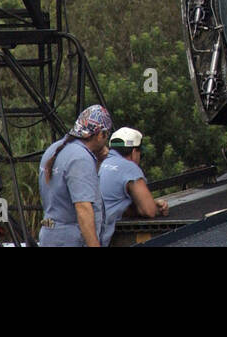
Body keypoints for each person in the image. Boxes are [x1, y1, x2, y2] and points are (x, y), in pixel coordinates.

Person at [38, 104, 112, 247]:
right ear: (100, 134)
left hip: (49, 235)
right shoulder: (81, 158)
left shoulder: (54, 149)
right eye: (106, 135)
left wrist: (97, 161)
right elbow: (83, 208)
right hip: (71, 239)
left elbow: (70, 188)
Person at [98, 127, 169, 246]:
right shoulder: (129, 168)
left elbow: (115, 203)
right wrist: (156, 207)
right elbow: (149, 211)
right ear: (134, 152)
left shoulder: (103, 164)